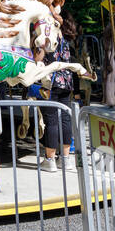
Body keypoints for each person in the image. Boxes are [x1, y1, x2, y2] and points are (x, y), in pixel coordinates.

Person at [36, 13, 81, 172]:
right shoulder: (67, 38)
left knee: (51, 120)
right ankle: (66, 159)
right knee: (65, 120)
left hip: (51, 81)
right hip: (66, 81)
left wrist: (38, 50)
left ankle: (50, 159)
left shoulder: (49, 36)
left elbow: (39, 58)